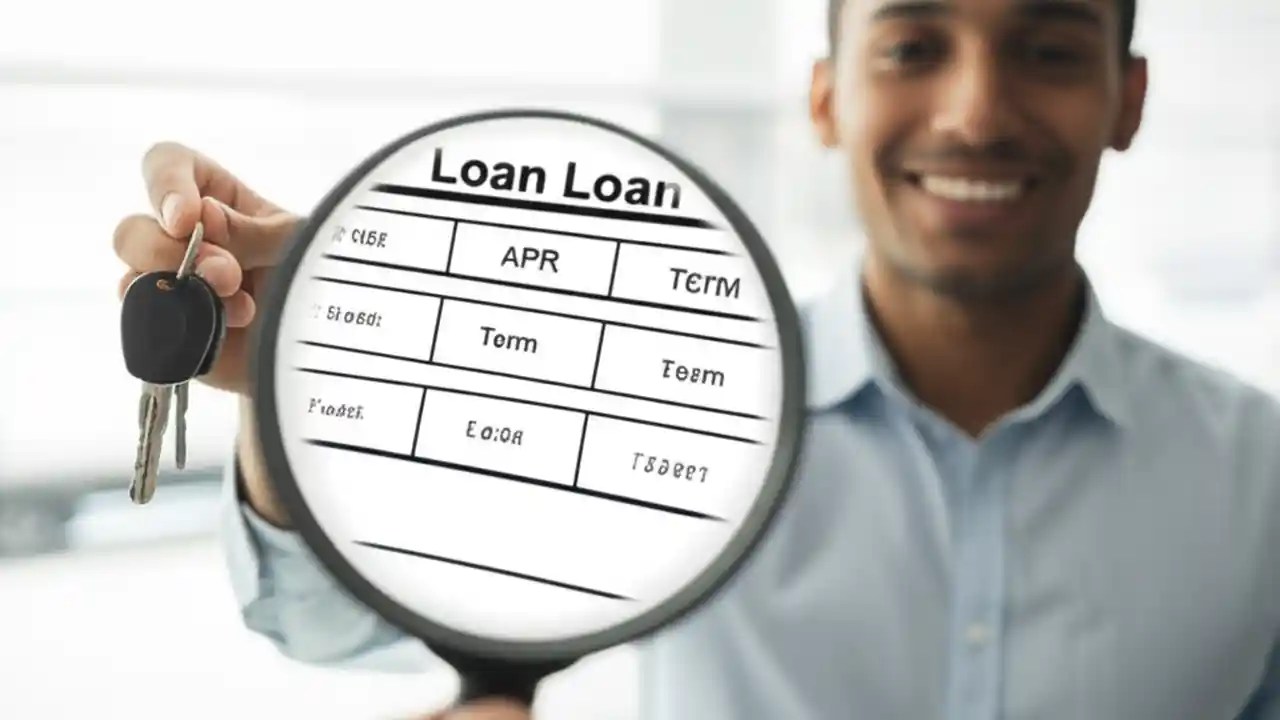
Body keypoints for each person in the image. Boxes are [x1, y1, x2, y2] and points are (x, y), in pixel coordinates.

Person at [112, 0, 1280, 717]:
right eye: (913, 43)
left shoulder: (1263, 478)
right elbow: (322, 628)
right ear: (824, 99)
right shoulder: (649, 409)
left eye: (1046, 47)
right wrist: (303, 380)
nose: (975, 111)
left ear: (1125, 100)